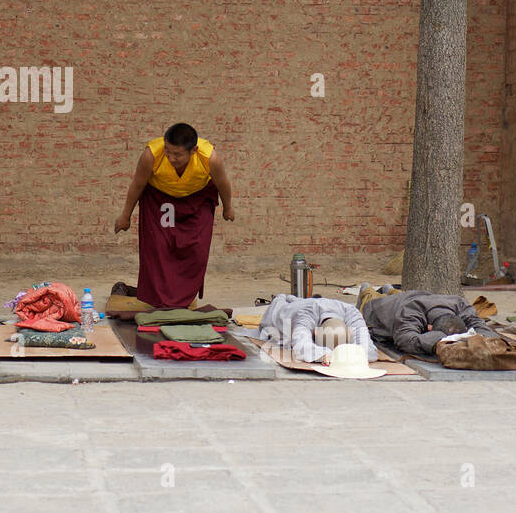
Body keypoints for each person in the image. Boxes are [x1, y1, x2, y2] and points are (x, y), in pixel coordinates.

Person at [114, 123, 234, 309]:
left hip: (197, 198)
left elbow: (223, 184)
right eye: (168, 151)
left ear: (193, 150)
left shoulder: (210, 158)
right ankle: (161, 298)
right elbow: (137, 185)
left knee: (196, 248)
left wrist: (228, 208)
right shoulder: (151, 155)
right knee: (159, 246)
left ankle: (183, 298)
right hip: (159, 198)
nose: (171, 158)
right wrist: (125, 216)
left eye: (177, 154)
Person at [362, 289, 498, 357]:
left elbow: (481, 326)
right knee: (368, 294)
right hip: (380, 308)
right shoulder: (411, 312)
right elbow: (405, 340)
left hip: (414, 296)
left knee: (393, 291)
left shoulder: (460, 304)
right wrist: (437, 343)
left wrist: (488, 341)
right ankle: (370, 289)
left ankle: (388, 288)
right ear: (430, 328)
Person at [258, 293, 379, 365]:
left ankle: (305, 299)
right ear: (315, 333)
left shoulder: (352, 313)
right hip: (294, 308)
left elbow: (368, 349)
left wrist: (347, 354)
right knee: (279, 302)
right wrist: (323, 355)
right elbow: (301, 346)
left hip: (323, 305)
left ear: (349, 331)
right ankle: (286, 297)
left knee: (307, 301)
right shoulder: (303, 316)